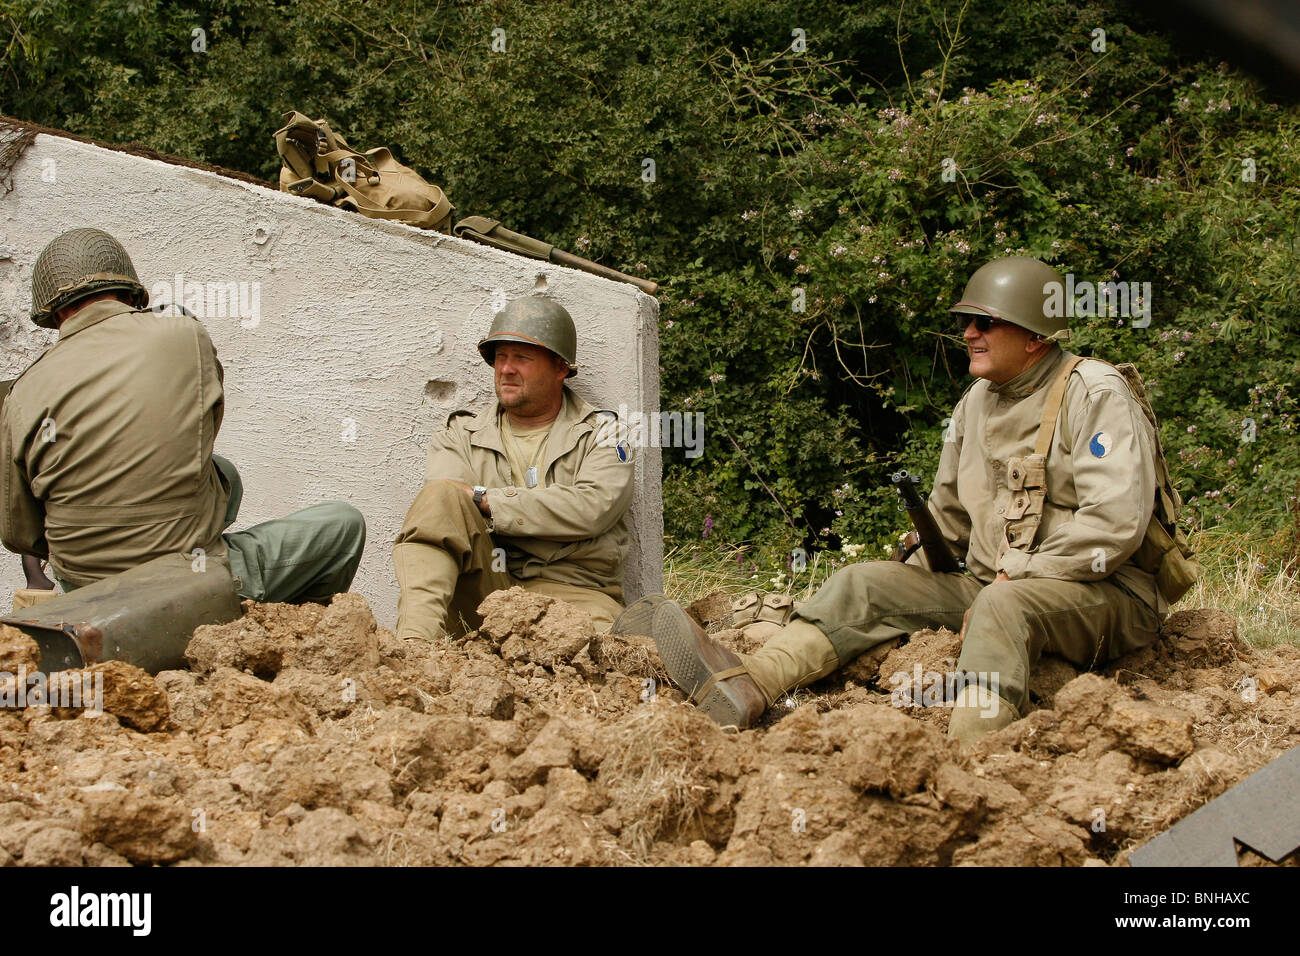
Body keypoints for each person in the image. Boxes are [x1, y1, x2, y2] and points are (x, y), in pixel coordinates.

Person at [635, 256, 1190, 745]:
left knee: (1001, 606)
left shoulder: (1094, 392)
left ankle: (972, 759)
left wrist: (1019, 573)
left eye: (985, 322)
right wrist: (916, 565)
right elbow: (950, 521)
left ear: (1035, 336)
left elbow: (1112, 525)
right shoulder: (976, 402)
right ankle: (753, 683)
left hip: (1107, 597)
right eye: (964, 323)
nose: (969, 333)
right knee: (865, 583)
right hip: (993, 584)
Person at [1, 227, 366, 604]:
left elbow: (19, 534)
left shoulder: (21, 393)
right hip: (186, 583)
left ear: (56, 312)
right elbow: (203, 429)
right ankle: (277, 632)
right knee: (342, 524)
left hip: (88, 594)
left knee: (225, 475)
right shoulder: (182, 333)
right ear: (130, 292)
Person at [393, 295, 634, 639]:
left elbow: (592, 507)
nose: (506, 369)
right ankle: (413, 648)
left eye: (522, 357)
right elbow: (447, 506)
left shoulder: (603, 434)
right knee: (439, 498)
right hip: (487, 592)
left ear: (560, 368)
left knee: (603, 661)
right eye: (500, 357)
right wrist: (536, 516)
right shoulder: (460, 434)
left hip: (576, 595)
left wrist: (489, 502)